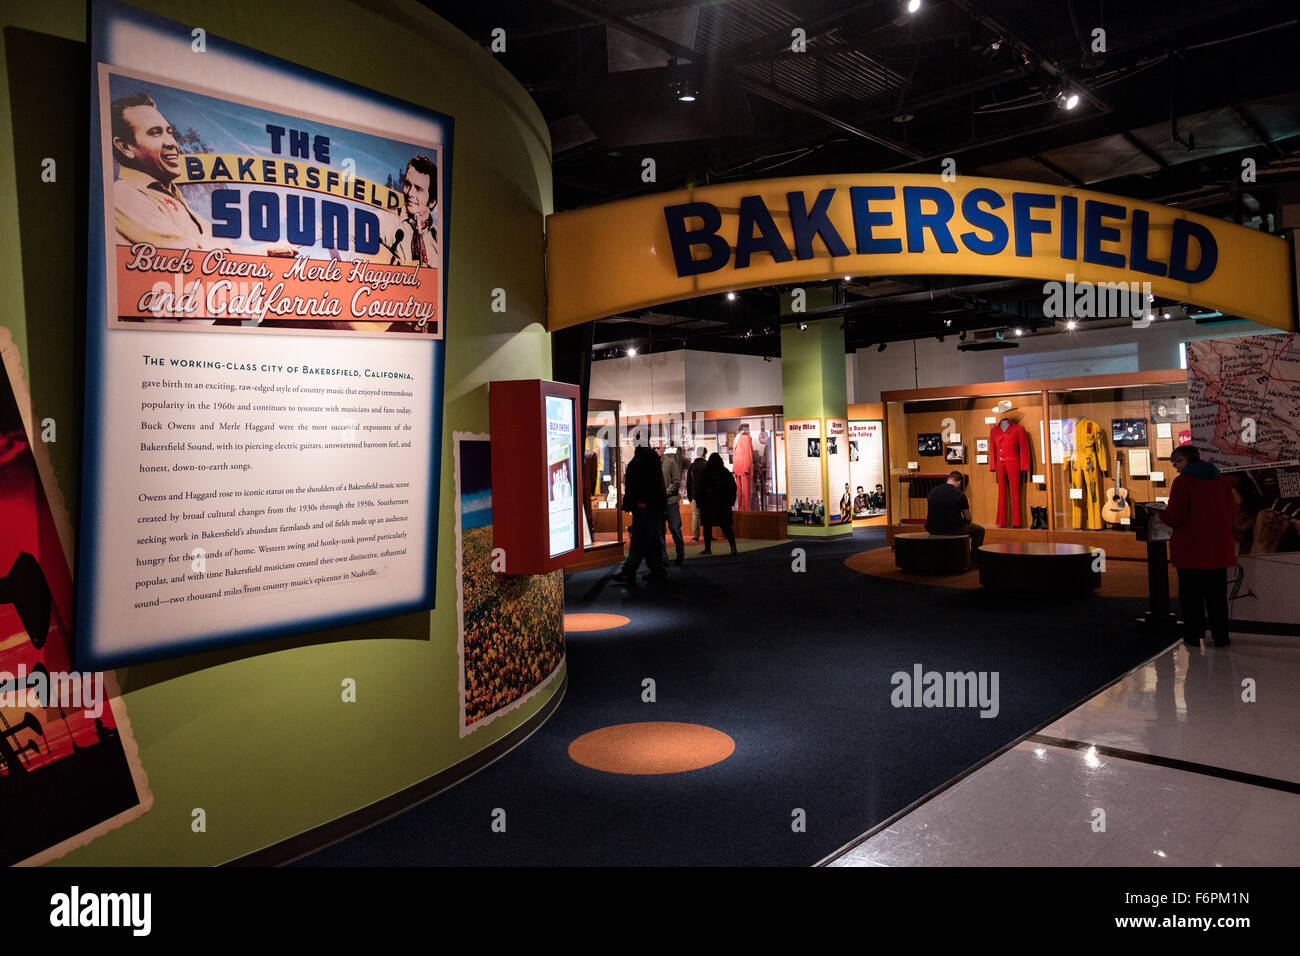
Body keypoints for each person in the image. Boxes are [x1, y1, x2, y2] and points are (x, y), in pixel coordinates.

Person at [111, 92, 210, 248]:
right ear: (125, 147)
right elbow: (190, 255)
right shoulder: (122, 196)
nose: (171, 143)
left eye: (169, 132)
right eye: (155, 133)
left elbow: (220, 246)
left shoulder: (173, 198)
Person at [1164, 445, 1237, 648]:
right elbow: (1233, 510)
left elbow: (1175, 516)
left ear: (1184, 461)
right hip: (1218, 549)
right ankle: (1221, 637)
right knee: (1217, 598)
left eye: (1176, 463)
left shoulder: (1182, 482)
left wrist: (1161, 514)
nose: (1176, 468)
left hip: (1191, 550)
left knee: (1191, 598)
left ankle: (1194, 636)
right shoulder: (1221, 480)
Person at [611, 445, 667, 583]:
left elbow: (642, 483)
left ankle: (630, 570)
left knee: (641, 539)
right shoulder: (650, 458)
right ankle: (656, 571)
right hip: (650, 506)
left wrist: (641, 501)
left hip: (645, 507)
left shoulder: (642, 460)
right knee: (649, 540)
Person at [380, 155, 439, 267]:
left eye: (418, 189)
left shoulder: (438, 239)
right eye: (407, 185)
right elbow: (350, 230)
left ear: (432, 202)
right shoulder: (388, 220)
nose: (410, 193)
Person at [925, 471, 985, 563]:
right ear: (959, 483)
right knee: (979, 530)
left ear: (948, 480)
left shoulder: (932, 491)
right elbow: (968, 518)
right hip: (952, 529)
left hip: (932, 528)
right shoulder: (959, 494)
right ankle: (974, 560)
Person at [698, 452, 737, 556]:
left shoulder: (706, 472)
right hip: (723, 504)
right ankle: (733, 547)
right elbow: (733, 488)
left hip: (708, 505)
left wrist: (700, 503)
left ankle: (707, 548)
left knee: (707, 527)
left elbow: (700, 488)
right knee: (726, 527)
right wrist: (731, 502)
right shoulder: (725, 472)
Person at [661, 446, 685, 566]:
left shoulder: (670, 461)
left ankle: (680, 554)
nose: (656, 450)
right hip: (659, 504)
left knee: (675, 529)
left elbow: (676, 482)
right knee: (660, 532)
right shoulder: (653, 463)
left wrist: (665, 493)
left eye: (658, 447)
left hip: (671, 502)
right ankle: (663, 559)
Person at [686, 446, 709, 543]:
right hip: (706, 495)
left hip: (695, 494)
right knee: (707, 515)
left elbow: (688, 482)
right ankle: (709, 535)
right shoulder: (707, 465)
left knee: (695, 515)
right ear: (705, 454)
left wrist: (689, 495)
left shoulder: (692, 466)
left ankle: (695, 536)